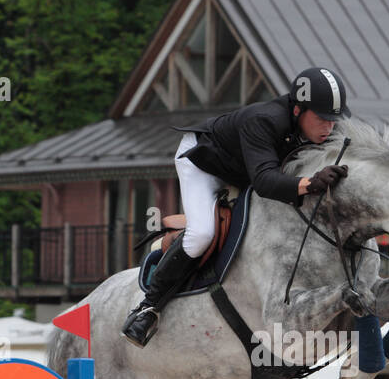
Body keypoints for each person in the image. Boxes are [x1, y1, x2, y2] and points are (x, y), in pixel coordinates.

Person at [121, 67, 353, 347]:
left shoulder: (318, 129)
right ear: (297, 110)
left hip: (243, 169)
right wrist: (309, 183)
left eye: (334, 120)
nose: (329, 127)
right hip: (203, 162)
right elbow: (266, 181)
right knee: (202, 233)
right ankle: (147, 308)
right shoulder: (264, 120)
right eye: (322, 119)